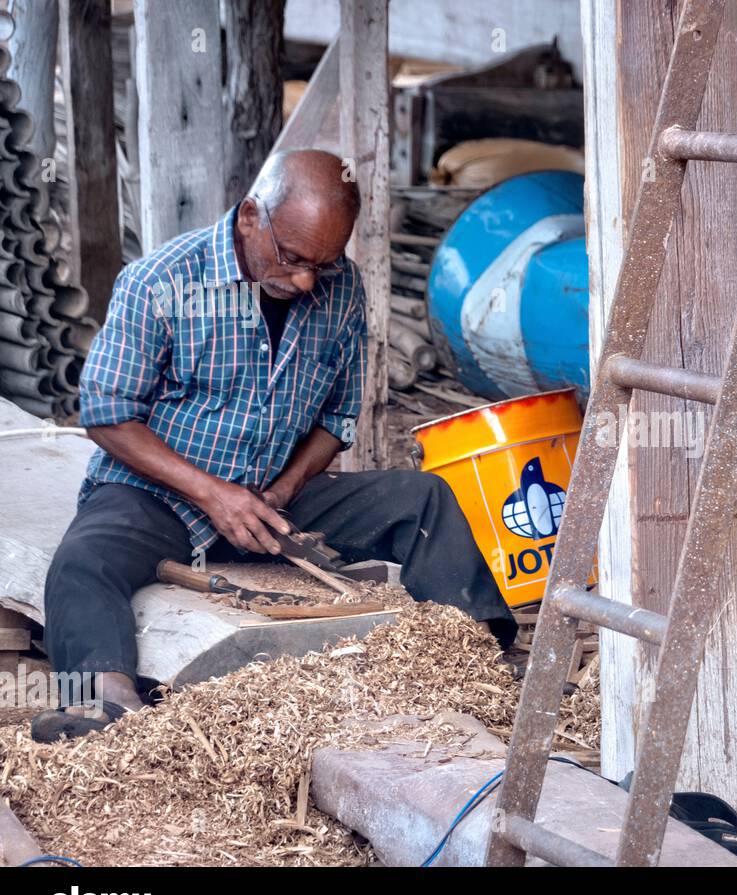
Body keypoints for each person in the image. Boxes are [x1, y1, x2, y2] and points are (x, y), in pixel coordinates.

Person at [33, 149, 515, 741]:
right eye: (291, 258)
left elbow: (337, 418)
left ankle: (483, 664)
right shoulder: (161, 281)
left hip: (273, 500)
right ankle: (104, 707)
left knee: (422, 499)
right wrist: (214, 495)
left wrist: (285, 490)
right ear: (249, 219)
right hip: (161, 496)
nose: (307, 280)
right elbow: (107, 415)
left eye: (325, 262)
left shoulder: (340, 289)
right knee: (83, 562)